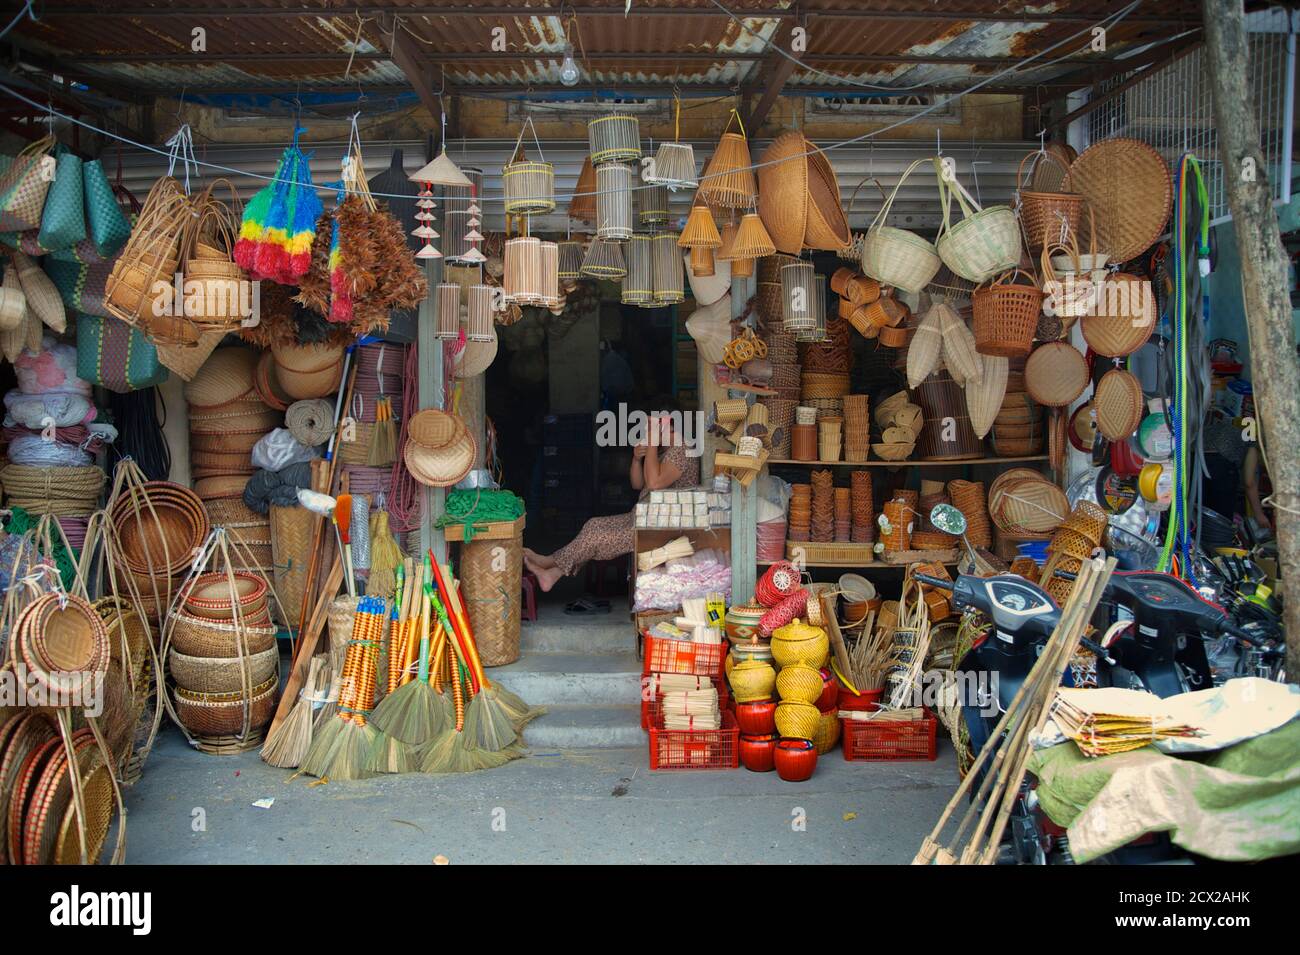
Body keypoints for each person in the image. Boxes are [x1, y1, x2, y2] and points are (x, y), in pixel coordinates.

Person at [524, 409, 700, 592]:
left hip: (661, 527)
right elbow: (637, 484)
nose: (649, 430)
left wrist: (653, 444)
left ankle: (552, 570)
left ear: (670, 426)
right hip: (643, 519)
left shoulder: (683, 450)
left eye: (654, 426)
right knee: (594, 525)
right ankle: (551, 568)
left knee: (598, 537)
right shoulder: (665, 450)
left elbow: (655, 483)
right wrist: (636, 459)